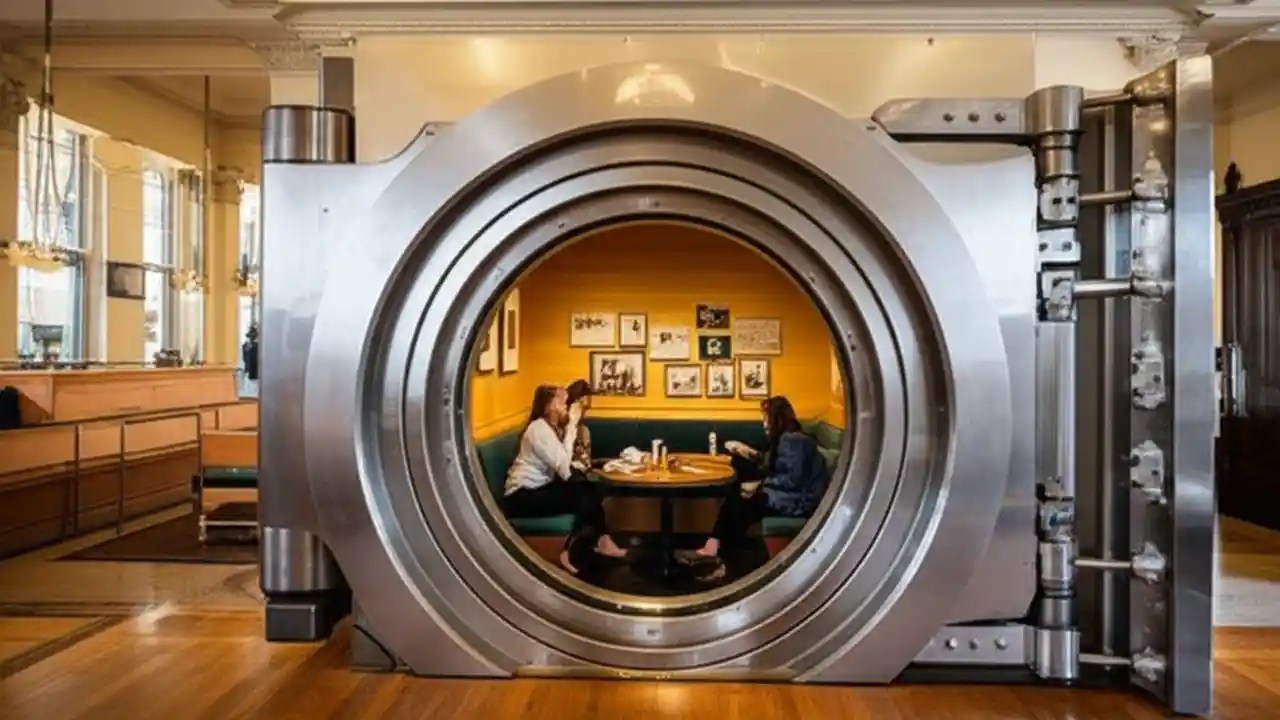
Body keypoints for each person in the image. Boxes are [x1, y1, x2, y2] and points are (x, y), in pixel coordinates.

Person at [677, 395, 827, 578]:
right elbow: (776, 464)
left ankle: (719, 556)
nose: (764, 424)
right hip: (792, 496)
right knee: (737, 499)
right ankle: (719, 554)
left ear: (777, 419)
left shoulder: (793, 440)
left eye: (766, 418)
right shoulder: (789, 438)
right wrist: (748, 452)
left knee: (737, 503)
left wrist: (759, 485)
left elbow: (790, 480)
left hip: (797, 501)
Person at [503, 383, 626, 574]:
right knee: (585, 495)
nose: (566, 407)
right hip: (521, 497)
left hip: (539, 489)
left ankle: (595, 541)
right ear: (548, 406)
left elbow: (564, 464)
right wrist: (571, 427)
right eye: (562, 403)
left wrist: (570, 429)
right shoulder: (538, 430)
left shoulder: (549, 428)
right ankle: (575, 549)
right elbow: (565, 471)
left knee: (590, 490)